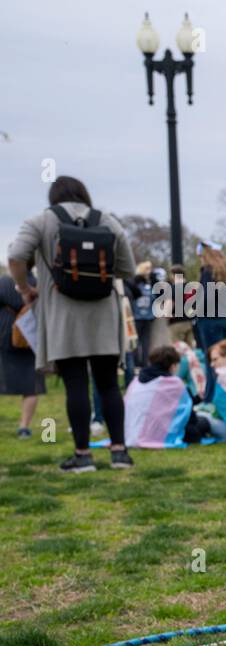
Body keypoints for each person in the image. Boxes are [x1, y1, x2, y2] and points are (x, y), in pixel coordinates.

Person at [7, 175, 138, 471]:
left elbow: (16, 255)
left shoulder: (40, 221)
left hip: (62, 314)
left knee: (75, 384)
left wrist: (25, 289)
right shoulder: (107, 220)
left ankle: (82, 455)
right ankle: (119, 452)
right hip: (103, 312)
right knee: (108, 384)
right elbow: (127, 268)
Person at [0, 266, 45, 436]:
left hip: (4, 336)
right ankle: (24, 427)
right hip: (32, 338)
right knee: (31, 386)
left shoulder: (3, 282)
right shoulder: (39, 284)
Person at [194, 243, 226, 401]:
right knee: (224, 360)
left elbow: (205, 296)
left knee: (212, 362)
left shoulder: (208, 271)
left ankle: (210, 399)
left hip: (210, 319)